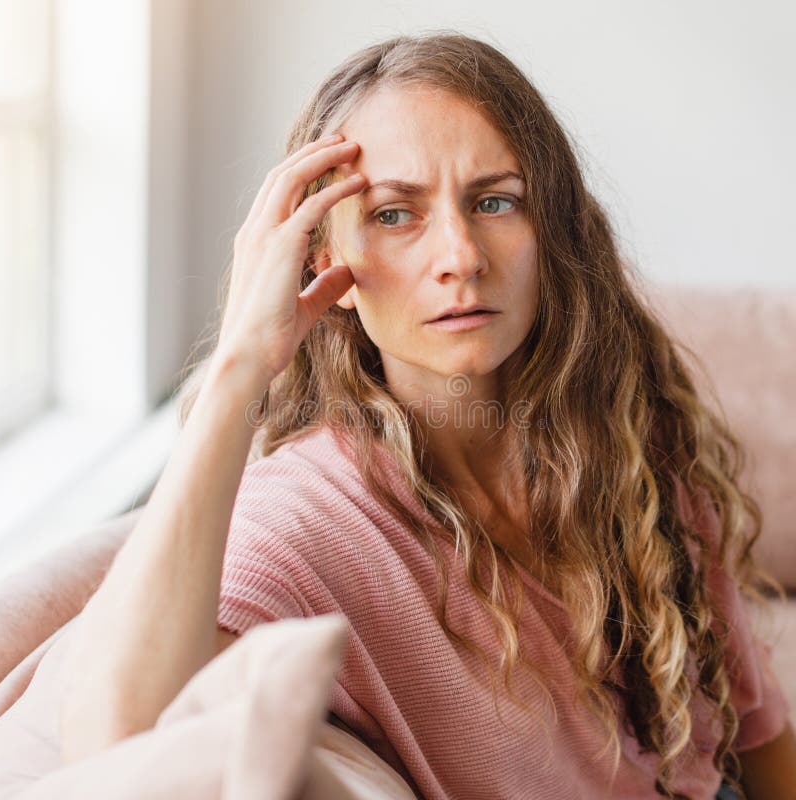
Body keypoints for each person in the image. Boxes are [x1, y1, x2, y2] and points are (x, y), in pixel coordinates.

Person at [58, 31, 794, 799]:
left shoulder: (624, 431)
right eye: (394, 215)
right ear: (325, 265)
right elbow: (114, 742)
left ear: (550, 231)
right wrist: (240, 364)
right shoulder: (309, 519)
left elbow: (756, 727)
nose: (462, 256)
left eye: (495, 201)